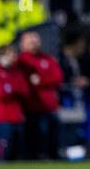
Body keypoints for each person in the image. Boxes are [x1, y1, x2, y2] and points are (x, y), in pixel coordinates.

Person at [19, 29, 63, 159]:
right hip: (31, 107)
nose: (34, 43)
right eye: (30, 41)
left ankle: (52, 157)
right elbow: (25, 81)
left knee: (52, 136)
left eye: (36, 40)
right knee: (35, 137)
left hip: (50, 106)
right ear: (23, 44)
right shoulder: (22, 61)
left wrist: (41, 80)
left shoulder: (47, 58)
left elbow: (58, 77)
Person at [0, 44, 30, 161]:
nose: (15, 56)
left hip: (16, 117)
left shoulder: (17, 72)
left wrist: (11, 89)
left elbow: (25, 91)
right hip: (1, 118)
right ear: (3, 56)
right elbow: (0, 93)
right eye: (12, 54)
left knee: (17, 152)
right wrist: (14, 90)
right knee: (4, 151)